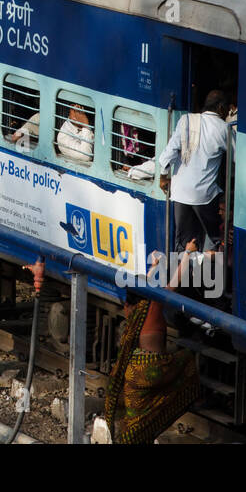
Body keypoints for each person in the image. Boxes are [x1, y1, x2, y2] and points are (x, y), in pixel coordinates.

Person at [100, 242, 202, 444]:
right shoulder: (153, 307)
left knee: (137, 421)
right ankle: (199, 398)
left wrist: (154, 267)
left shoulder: (133, 310)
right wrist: (187, 254)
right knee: (188, 360)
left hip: (133, 373)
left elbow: (143, 287)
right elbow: (171, 287)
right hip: (150, 370)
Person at [158, 90, 232, 251]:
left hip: (180, 192)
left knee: (183, 242)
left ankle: (182, 274)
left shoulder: (185, 120)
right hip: (204, 196)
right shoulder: (224, 129)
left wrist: (163, 176)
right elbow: (237, 157)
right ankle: (210, 271)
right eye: (227, 108)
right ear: (220, 108)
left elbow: (170, 150)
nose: (228, 112)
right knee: (213, 240)